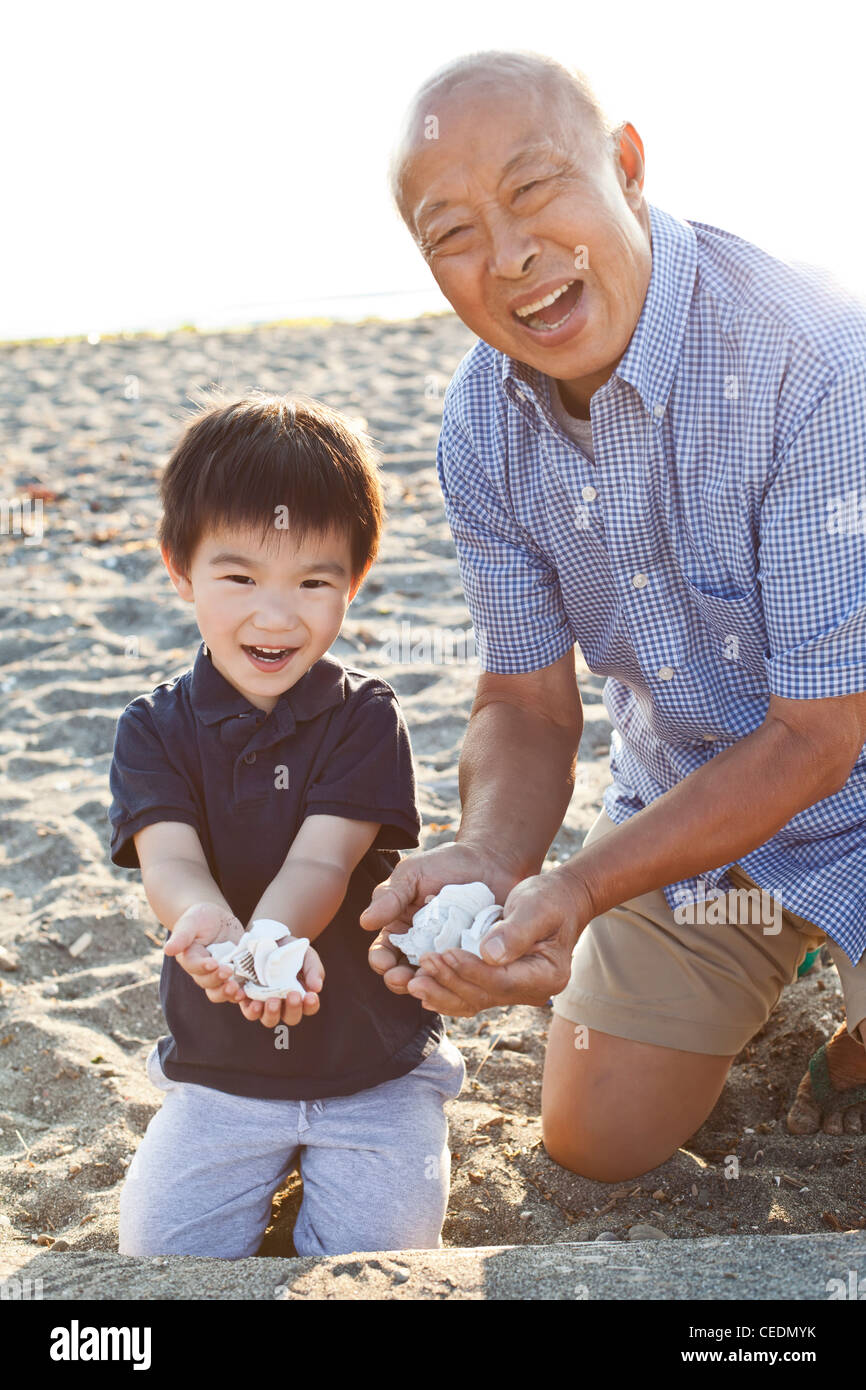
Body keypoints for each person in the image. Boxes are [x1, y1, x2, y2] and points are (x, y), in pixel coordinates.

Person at [360, 50, 866, 1180]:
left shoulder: (816, 357)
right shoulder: (479, 425)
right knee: (594, 1141)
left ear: (625, 165)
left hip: (851, 783)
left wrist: (581, 885)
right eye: (452, 233)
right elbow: (526, 701)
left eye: (534, 188)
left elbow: (820, 737)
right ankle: (771, 955)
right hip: (686, 816)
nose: (508, 256)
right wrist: (494, 857)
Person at [108, 392, 465, 1257]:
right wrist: (210, 926)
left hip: (372, 1069)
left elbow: (322, 861)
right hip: (219, 1073)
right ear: (179, 568)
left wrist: (271, 937)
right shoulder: (152, 728)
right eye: (239, 578)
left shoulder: (364, 717)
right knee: (158, 1257)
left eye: (314, 582)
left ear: (356, 581)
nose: (276, 616)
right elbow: (170, 859)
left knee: (381, 1260)